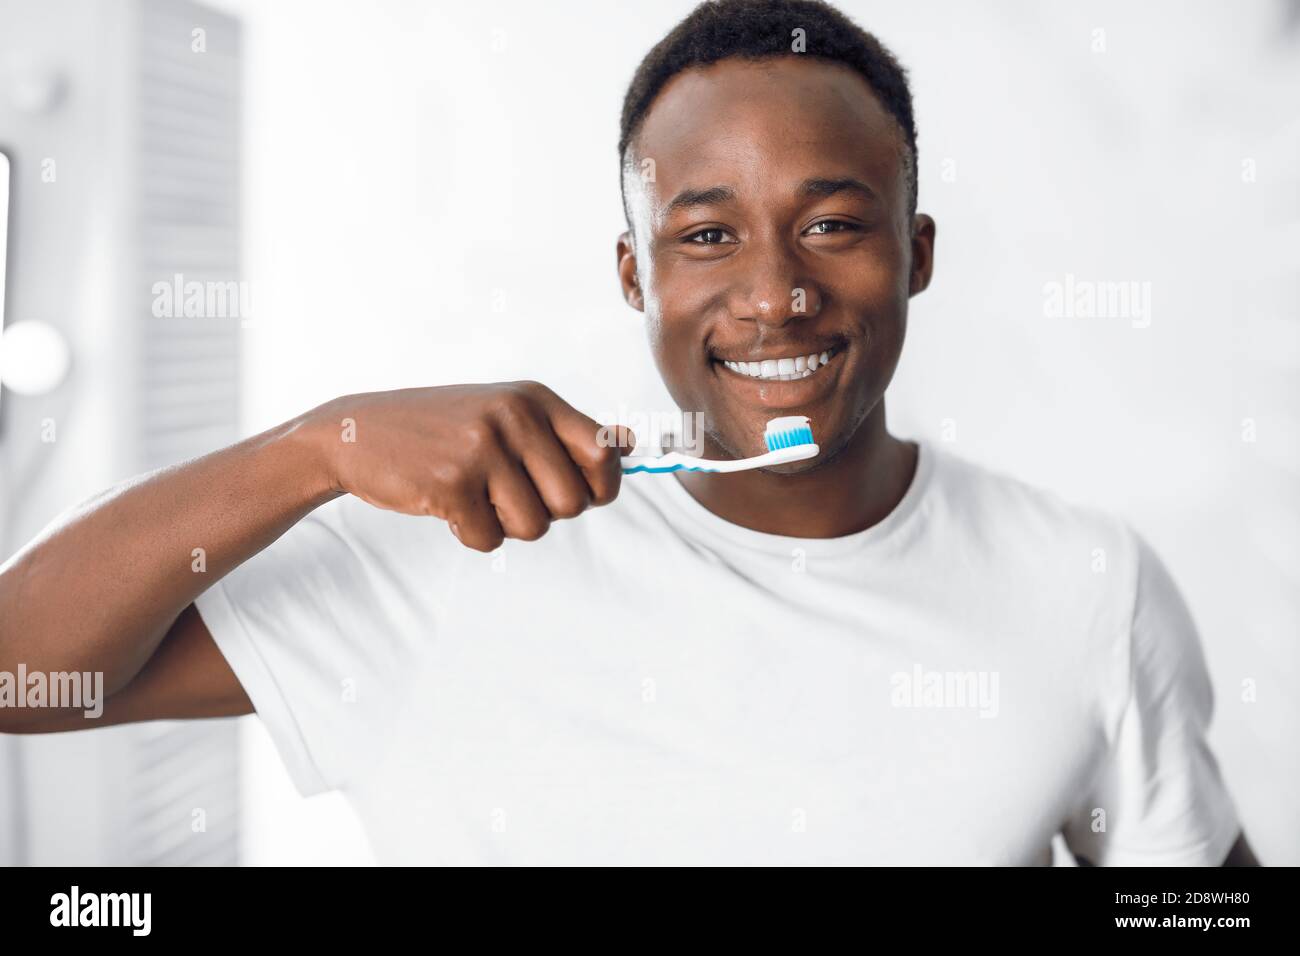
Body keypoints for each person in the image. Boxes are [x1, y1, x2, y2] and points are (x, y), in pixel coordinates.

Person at [0, 0, 1257, 865]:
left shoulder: (1083, 582)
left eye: (833, 223)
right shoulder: (452, 552)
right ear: (631, 275)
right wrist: (315, 446)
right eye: (706, 235)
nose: (775, 292)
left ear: (916, 253)